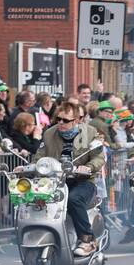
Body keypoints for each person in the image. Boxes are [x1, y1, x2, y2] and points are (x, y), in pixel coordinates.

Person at [39, 98, 105, 256]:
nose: (61, 123)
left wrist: (88, 167)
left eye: (65, 120)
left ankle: (87, 240)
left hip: (83, 181)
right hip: (55, 181)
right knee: (36, 198)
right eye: (58, 119)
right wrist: (29, 167)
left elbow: (99, 157)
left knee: (74, 199)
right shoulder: (49, 133)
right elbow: (40, 156)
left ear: (76, 121)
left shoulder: (90, 132)